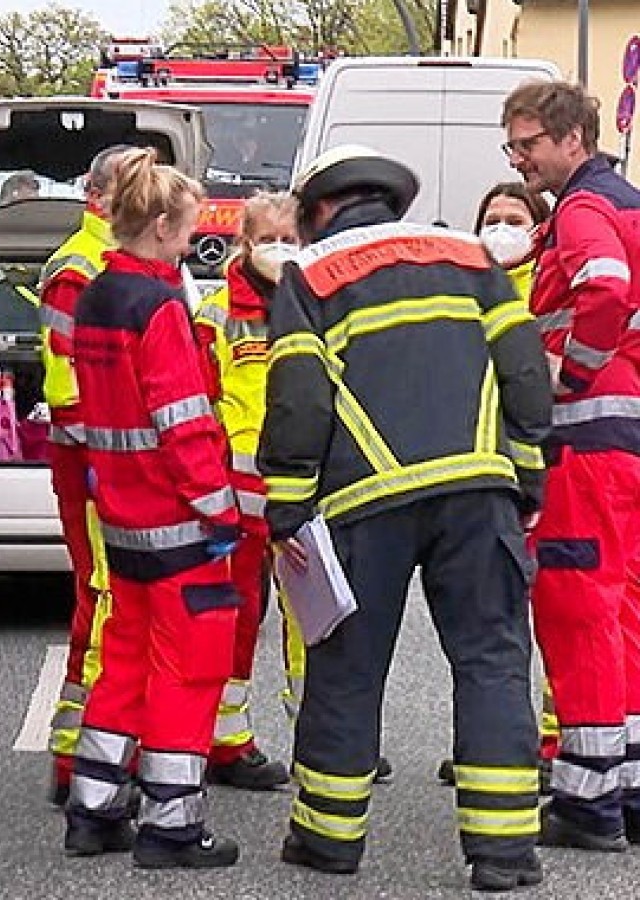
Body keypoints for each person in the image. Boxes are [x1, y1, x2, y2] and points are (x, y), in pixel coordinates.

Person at [261, 145, 550, 890]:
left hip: (367, 498)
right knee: (491, 660)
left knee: (348, 668)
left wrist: (288, 500)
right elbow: (523, 368)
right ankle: (505, 853)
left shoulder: (311, 274)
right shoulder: (471, 255)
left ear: (319, 209)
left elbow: (298, 393)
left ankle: (328, 840)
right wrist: (525, 472)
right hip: (477, 490)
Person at [63, 149, 243, 870]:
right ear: (163, 225)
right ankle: (172, 825)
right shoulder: (161, 305)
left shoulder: (100, 294)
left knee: (125, 663)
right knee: (188, 672)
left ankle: (96, 810)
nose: (192, 240)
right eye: (189, 227)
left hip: (123, 514)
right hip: (177, 520)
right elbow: (183, 419)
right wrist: (220, 508)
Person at [501, 79, 640, 851]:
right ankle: (625, 783)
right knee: (623, 610)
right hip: (627, 440)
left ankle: (587, 802)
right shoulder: (625, 202)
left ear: (572, 140)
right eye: (513, 147)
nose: (519, 159)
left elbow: (606, 290)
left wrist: (571, 374)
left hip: (585, 439)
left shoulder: (584, 211)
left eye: (527, 144)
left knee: (576, 609)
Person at [436, 181, 557, 793]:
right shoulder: (462, 283)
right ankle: (490, 746)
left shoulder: (543, 286)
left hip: (539, 468)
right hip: (478, 473)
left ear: (537, 229)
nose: (502, 228)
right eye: (492, 217)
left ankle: (552, 738)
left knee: (550, 613)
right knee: (490, 622)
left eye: (515, 218)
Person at [190, 191, 297, 791]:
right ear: (244, 244)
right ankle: (227, 740)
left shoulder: (322, 302)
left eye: (291, 238)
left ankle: (320, 738)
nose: (280, 251)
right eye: (268, 239)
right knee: (238, 617)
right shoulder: (215, 314)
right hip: (240, 497)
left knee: (314, 622)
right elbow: (200, 405)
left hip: (310, 491)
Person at [40, 144, 132, 805]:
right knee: (103, 595)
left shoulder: (117, 258)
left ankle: (97, 745)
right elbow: (67, 378)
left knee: (115, 598)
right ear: (96, 196)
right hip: (96, 455)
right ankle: (79, 756)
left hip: (113, 453)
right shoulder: (83, 266)